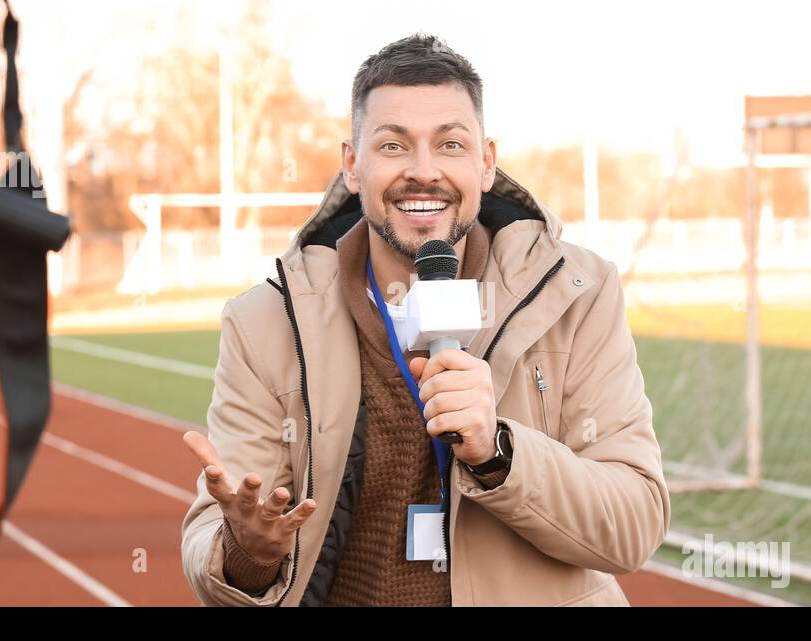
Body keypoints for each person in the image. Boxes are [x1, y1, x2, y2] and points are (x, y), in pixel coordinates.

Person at [181, 33, 669, 606]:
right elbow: (216, 549)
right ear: (352, 166)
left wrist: (499, 452)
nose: (423, 171)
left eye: (450, 145)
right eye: (392, 146)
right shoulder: (265, 319)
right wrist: (248, 552)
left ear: (486, 163)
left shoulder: (577, 292)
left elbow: (634, 526)